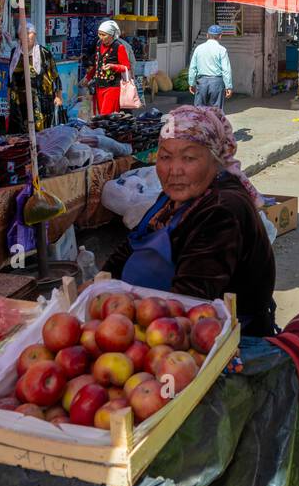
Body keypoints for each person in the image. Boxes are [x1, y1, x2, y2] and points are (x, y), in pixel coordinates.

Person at [105, 106, 276, 334]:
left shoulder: (223, 209)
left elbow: (189, 299)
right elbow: (132, 243)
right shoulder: (174, 196)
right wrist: (101, 284)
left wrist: (122, 322)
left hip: (217, 339)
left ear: (215, 161)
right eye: (165, 157)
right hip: (150, 316)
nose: (174, 170)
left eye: (188, 157)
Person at [8, 23, 63, 133]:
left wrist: (59, 97)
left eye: (29, 33)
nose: (26, 36)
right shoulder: (15, 53)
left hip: (41, 98)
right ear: (19, 36)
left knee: (40, 131)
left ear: (35, 35)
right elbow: (10, 77)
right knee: (19, 131)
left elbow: (55, 75)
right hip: (19, 99)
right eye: (23, 34)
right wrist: (8, 97)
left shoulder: (44, 53)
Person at [84, 20, 131, 116]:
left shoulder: (119, 47)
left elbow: (126, 66)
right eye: (99, 34)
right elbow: (97, 64)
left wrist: (113, 66)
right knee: (101, 115)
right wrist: (88, 77)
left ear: (112, 35)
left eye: (104, 35)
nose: (101, 37)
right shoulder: (98, 44)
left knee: (107, 115)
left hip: (112, 87)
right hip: (99, 85)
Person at [188, 24, 233, 111]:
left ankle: (201, 125)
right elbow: (226, 70)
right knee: (215, 112)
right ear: (220, 36)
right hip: (217, 83)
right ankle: (214, 124)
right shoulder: (222, 50)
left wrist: (191, 83)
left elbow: (193, 68)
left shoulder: (198, 48)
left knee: (199, 111)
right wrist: (228, 86)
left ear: (207, 35)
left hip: (201, 82)